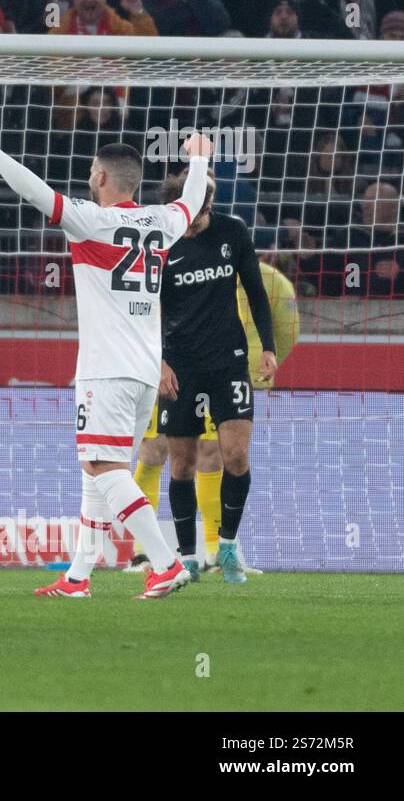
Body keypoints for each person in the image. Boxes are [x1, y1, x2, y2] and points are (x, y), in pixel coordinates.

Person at [0, 120, 209, 599]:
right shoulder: (162, 220)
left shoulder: (90, 220)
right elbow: (191, 201)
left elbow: (34, 191)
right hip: (144, 371)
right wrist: (199, 157)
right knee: (96, 468)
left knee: (103, 466)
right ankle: (79, 575)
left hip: (107, 368)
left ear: (101, 177)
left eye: (92, 171)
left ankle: (164, 562)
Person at [153, 168, 278, 584]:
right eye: (189, 214)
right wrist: (159, 362)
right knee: (181, 463)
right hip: (179, 364)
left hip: (228, 360)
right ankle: (187, 556)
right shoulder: (161, 238)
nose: (195, 223)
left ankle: (227, 546)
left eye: (202, 212)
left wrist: (269, 348)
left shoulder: (233, 232)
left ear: (210, 203)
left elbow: (256, 291)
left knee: (235, 454)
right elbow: (143, 307)